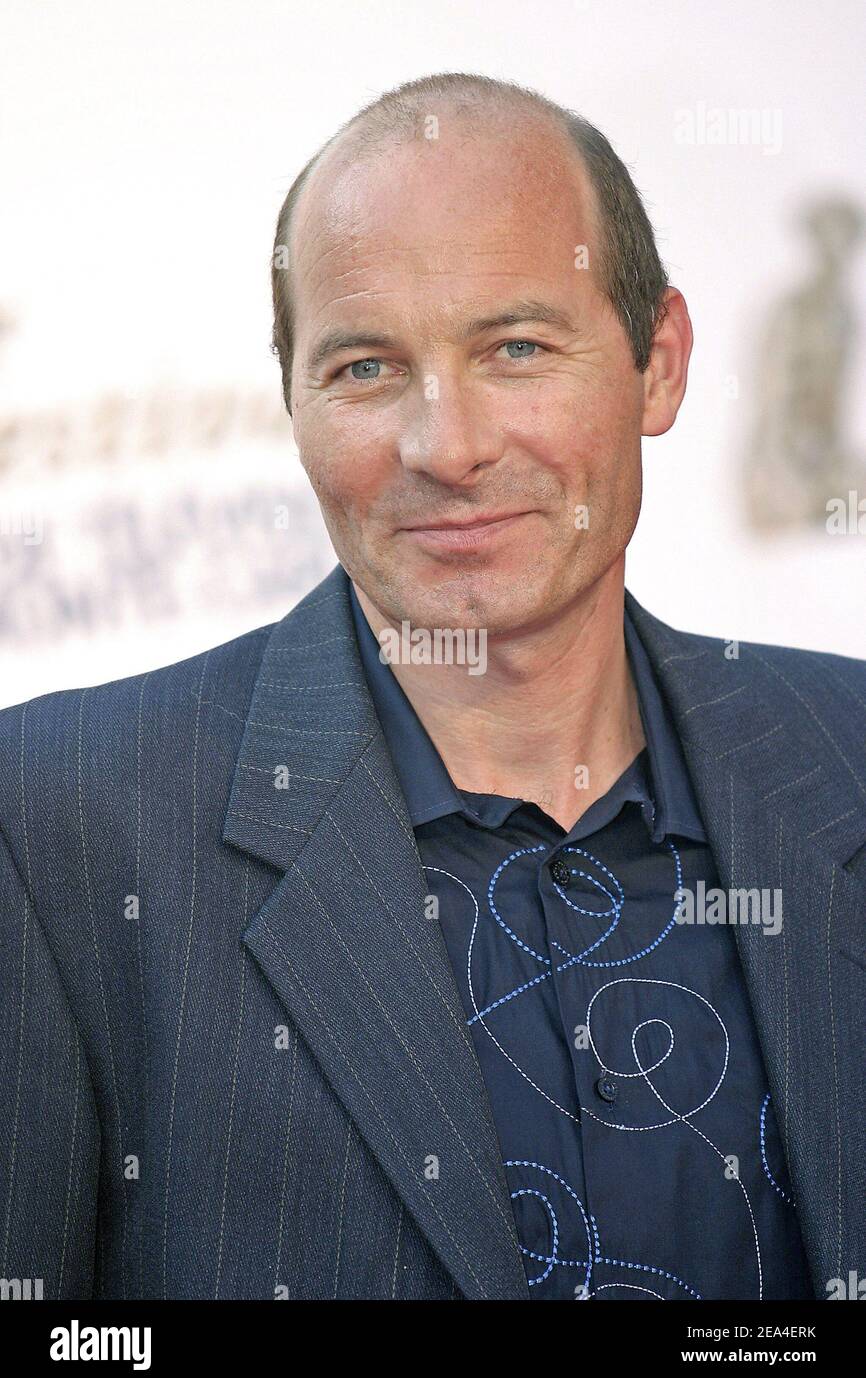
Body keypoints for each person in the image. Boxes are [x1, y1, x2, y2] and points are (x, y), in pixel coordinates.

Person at [1, 72, 863, 1302]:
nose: (445, 445)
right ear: (291, 401)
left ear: (658, 364)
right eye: (364, 368)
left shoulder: (847, 758)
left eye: (515, 348)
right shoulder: (54, 829)